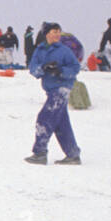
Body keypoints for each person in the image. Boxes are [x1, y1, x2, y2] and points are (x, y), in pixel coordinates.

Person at [25, 23, 82, 165]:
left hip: (62, 89)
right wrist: (43, 68)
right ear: (47, 34)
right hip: (50, 90)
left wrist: (60, 71)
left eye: (59, 32)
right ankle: (73, 155)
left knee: (44, 118)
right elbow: (33, 69)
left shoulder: (64, 50)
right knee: (61, 124)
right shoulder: (39, 50)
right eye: (54, 31)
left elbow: (75, 67)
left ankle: (40, 153)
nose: (57, 34)